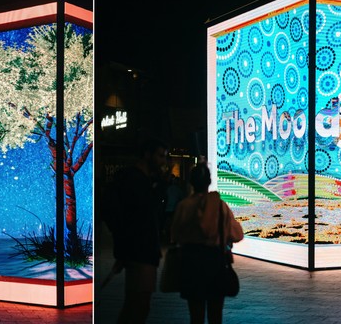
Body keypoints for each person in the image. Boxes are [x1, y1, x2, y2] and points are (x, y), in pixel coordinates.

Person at [102, 138, 169, 324]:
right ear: (147, 154)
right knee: (139, 305)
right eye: (160, 156)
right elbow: (138, 215)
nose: (163, 161)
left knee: (136, 304)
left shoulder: (139, 179)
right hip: (140, 250)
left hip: (139, 249)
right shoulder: (135, 180)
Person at [171, 162, 243, 324]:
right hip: (215, 264)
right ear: (209, 182)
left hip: (191, 264)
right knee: (215, 316)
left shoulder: (184, 206)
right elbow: (237, 234)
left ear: (191, 182)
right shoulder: (220, 206)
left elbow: (175, 235)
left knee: (195, 316)